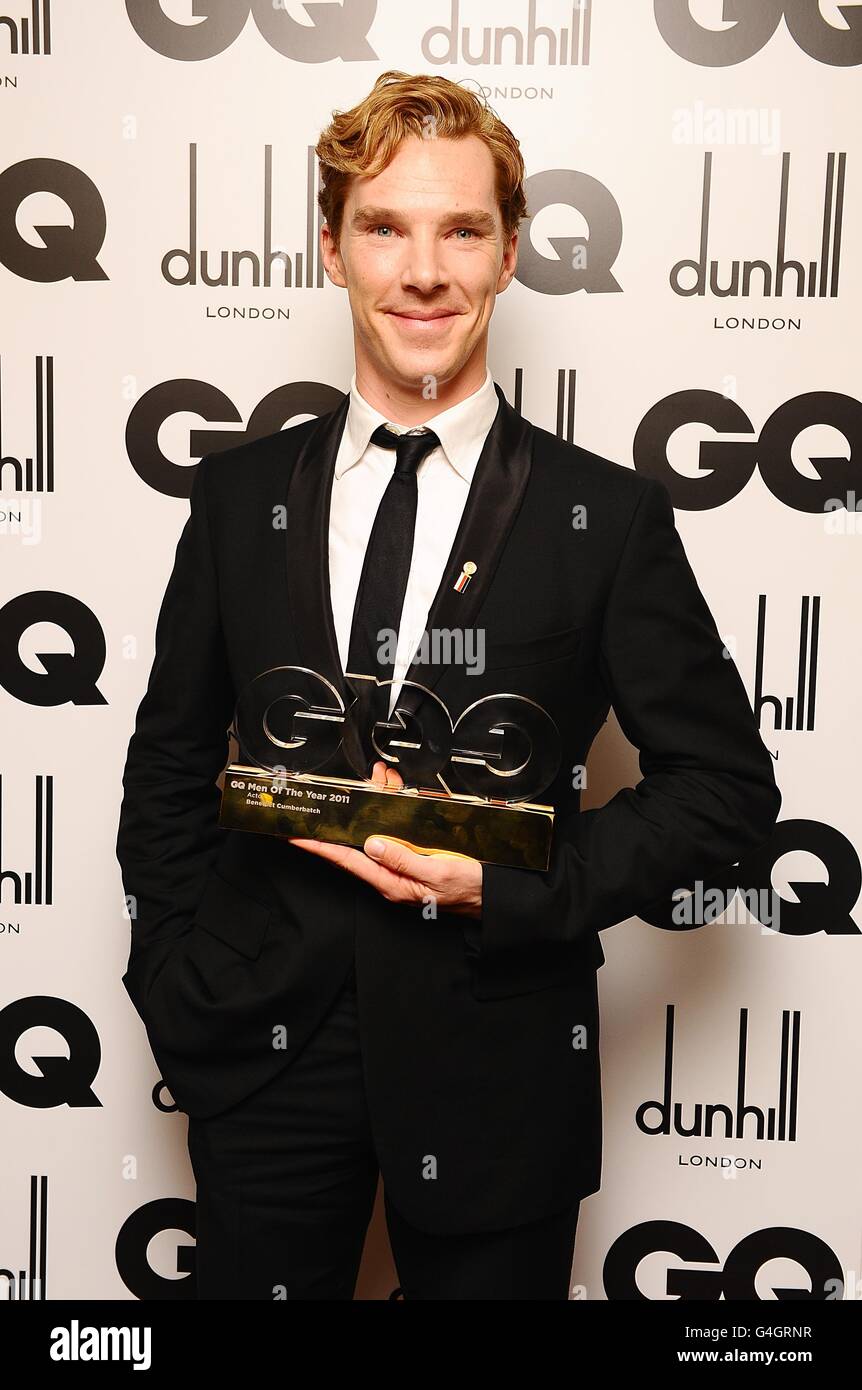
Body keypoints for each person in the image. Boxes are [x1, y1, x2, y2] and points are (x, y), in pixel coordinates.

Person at [116, 70, 781, 1300]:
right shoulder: (234, 499)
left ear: (510, 251)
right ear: (331, 248)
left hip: (498, 1063)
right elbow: (168, 756)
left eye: (461, 229)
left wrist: (524, 882)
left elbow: (726, 794)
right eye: (384, 227)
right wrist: (171, 966)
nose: (423, 271)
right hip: (262, 1049)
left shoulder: (607, 518)